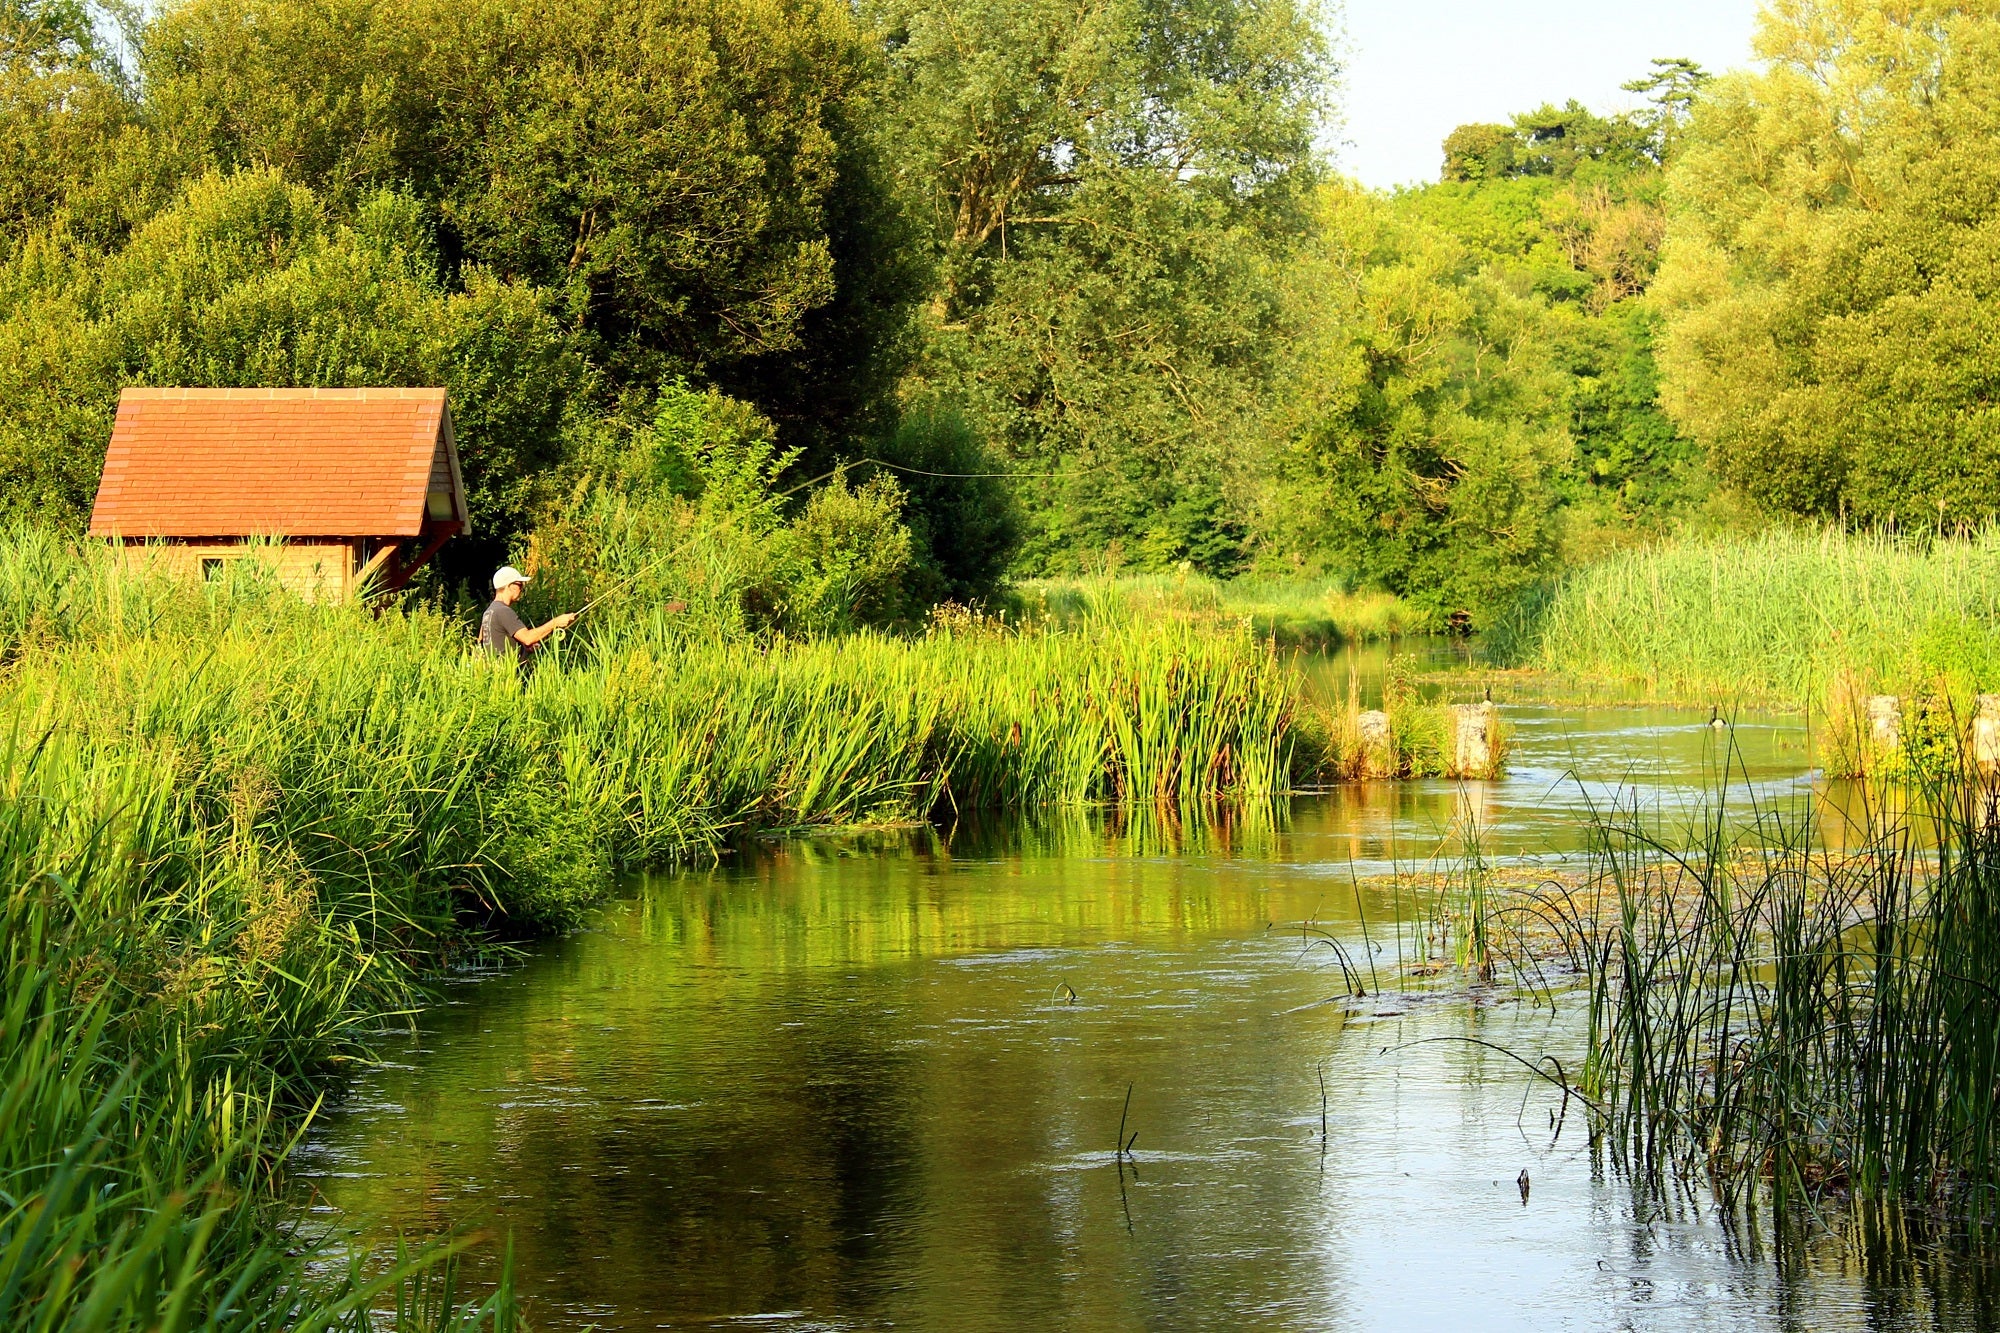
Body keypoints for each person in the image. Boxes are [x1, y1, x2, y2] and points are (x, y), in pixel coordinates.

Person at [478, 566, 578, 666]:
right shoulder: (503, 611)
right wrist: (555, 623)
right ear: (510, 586)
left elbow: (486, 641)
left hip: (497, 670)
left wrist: (525, 649)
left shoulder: (489, 611)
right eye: (520, 585)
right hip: (507, 673)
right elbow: (527, 638)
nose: (522, 589)